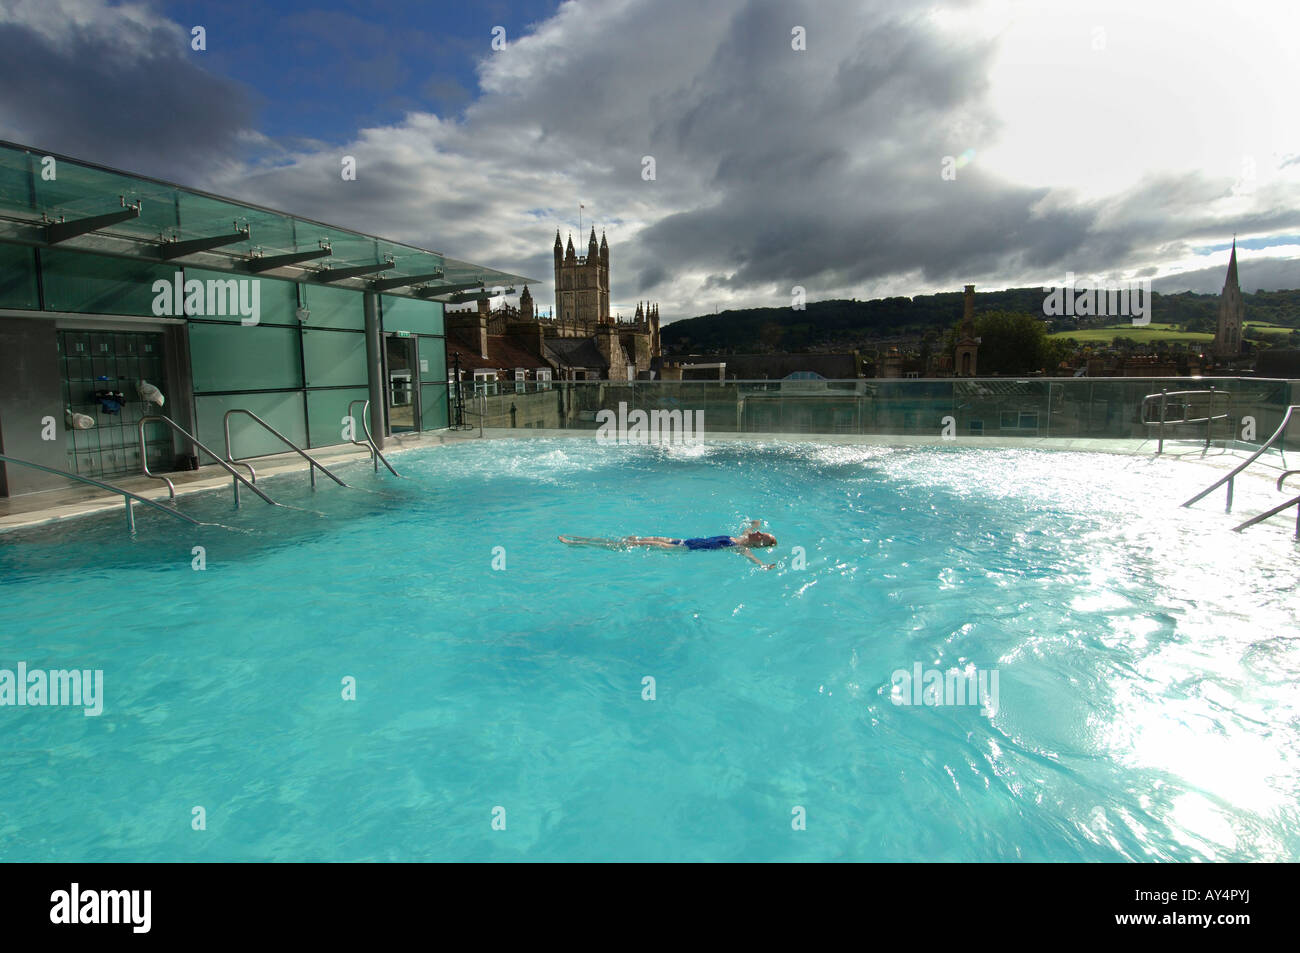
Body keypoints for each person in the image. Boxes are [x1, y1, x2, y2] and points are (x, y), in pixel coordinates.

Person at [559, 520, 778, 569]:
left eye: (762, 536)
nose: (758, 533)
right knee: (633, 539)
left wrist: (763, 566)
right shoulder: (741, 537)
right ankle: (583, 539)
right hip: (679, 539)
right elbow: (749, 528)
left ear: (760, 544)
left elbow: (752, 558)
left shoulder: (741, 548)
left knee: (636, 544)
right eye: (761, 532)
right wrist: (755, 523)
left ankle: (578, 544)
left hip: (680, 549)